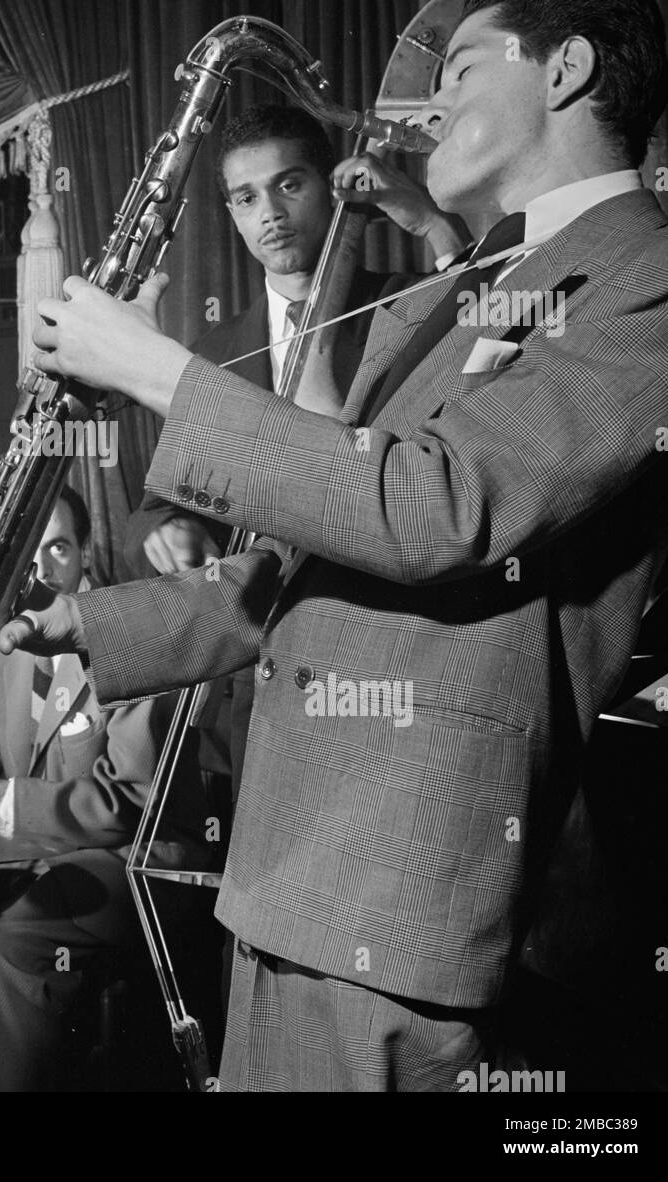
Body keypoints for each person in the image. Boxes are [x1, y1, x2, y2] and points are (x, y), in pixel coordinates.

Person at [2, 0, 668, 1090]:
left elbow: (437, 506)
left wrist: (159, 370)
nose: (432, 103)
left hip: (405, 886)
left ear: (564, 69)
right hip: (298, 869)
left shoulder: (655, 281)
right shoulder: (460, 287)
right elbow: (313, 551)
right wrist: (94, 623)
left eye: (463, 65)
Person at [124, 102, 467, 804]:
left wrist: (432, 223)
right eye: (246, 198)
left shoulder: (405, 309)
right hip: (252, 694)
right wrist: (167, 530)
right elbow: (154, 505)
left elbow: (491, 327)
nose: (269, 214)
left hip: (381, 673)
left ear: (333, 185)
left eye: (290, 185)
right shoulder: (214, 356)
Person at [0, 485, 207, 1092]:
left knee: (11, 941)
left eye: (59, 549)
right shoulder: (9, 649)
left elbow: (131, 801)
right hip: (48, 851)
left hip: (139, 861)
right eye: (28, 554)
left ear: (86, 554)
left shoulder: (128, 638)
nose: (41, 571)